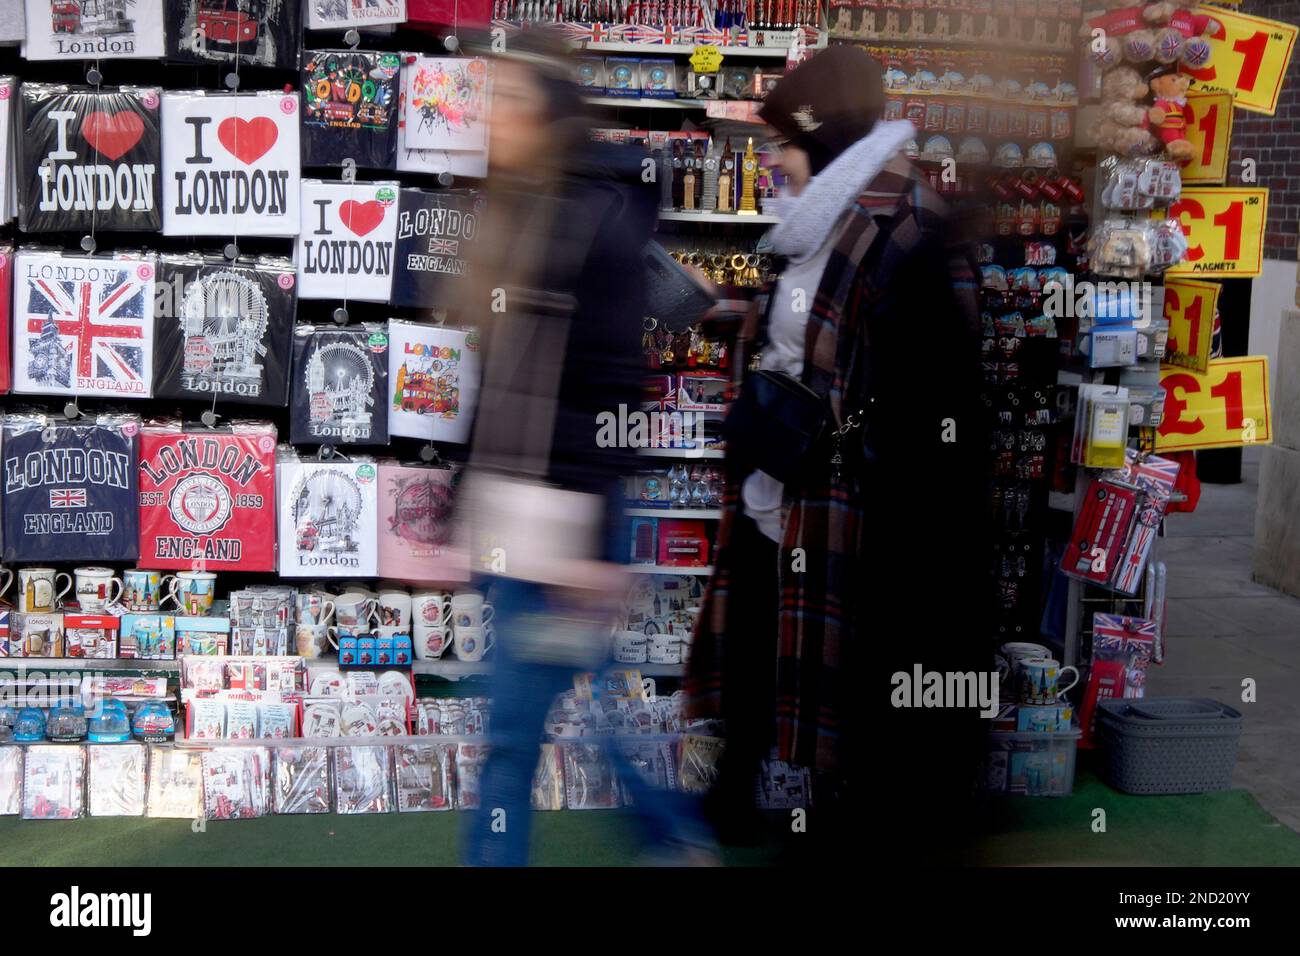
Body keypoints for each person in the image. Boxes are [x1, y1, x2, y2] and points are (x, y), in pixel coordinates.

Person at [685, 46, 991, 860]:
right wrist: (721, 311)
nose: (771, 158)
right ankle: (735, 795)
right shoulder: (809, 219)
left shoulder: (908, 224)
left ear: (824, 140)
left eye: (784, 141)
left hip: (840, 513)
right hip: (772, 495)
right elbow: (795, 335)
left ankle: (837, 816)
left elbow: (938, 393)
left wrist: (850, 444)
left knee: (837, 675)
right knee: (754, 649)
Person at [457, 33, 713, 867]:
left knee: (521, 728)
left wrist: (595, 538)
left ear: (548, 113)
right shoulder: (513, 205)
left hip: (562, 515)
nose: (491, 119)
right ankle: (671, 834)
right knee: (582, 704)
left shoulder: (589, 222)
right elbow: (498, 378)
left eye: (509, 103)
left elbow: (610, 382)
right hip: (514, 509)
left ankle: (665, 833)